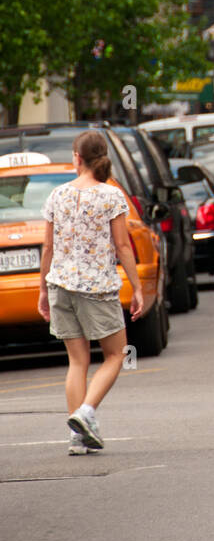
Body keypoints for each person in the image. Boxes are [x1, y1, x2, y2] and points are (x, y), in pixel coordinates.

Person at [37, 130, 143, 454]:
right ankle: (86, 412)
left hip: (61, 286)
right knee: (116, 354)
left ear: (77, 157)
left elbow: (48, 246)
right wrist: (137, 287)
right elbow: (123, 245)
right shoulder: (111, 196)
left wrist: (43, 290)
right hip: (97, 288)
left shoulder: (57, 195)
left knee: (77, 361)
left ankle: (77, 437)